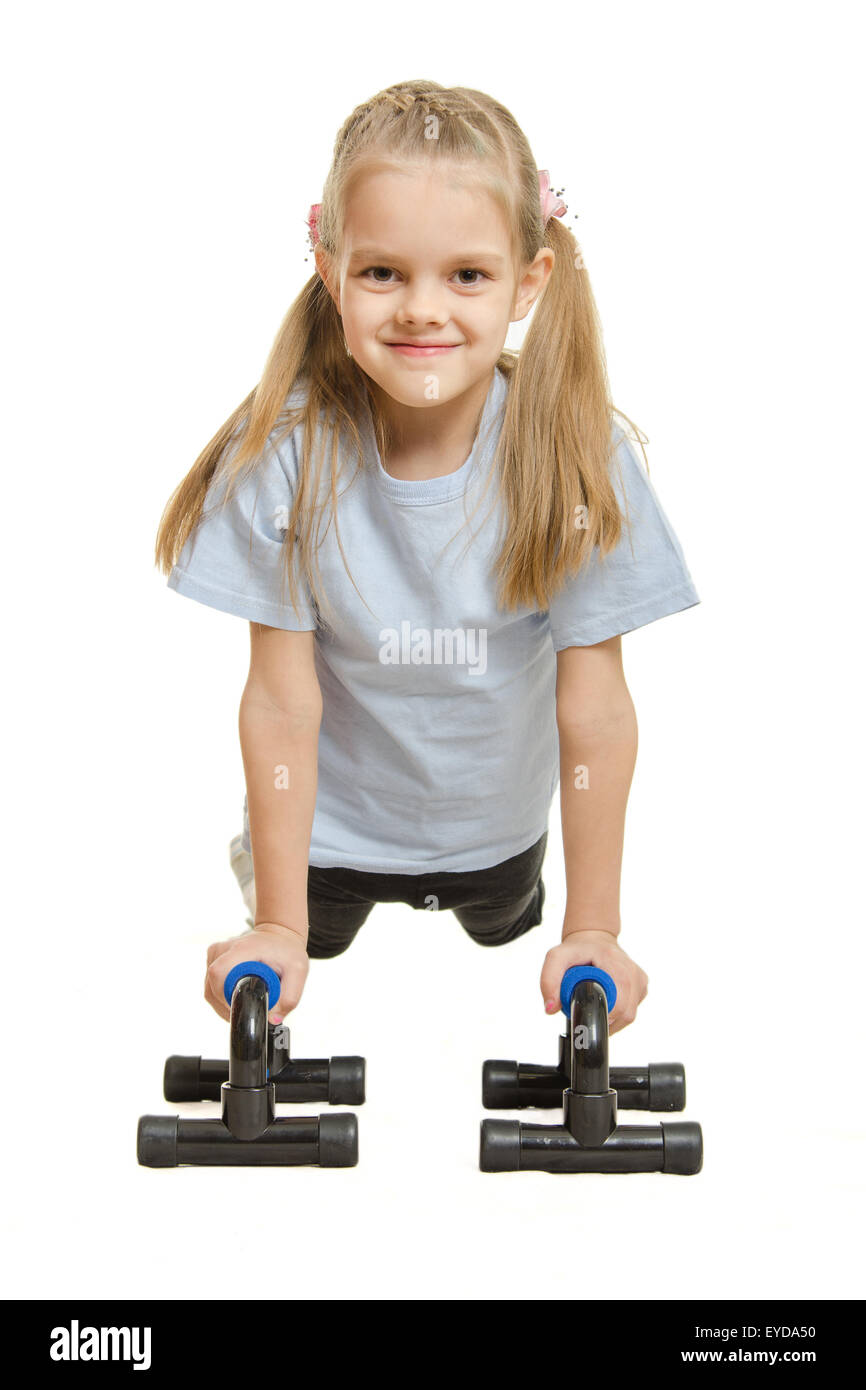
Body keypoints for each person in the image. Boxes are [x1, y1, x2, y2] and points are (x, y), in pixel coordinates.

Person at [154, 80, 700, 1037]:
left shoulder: (573, 454)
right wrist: (278, 922)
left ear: (527, 283)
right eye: (382, 275)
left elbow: (597, 709)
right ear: (330, 268)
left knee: (506, 918)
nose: (421, 311)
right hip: (324, 845)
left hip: (496, 848)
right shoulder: (285, 455)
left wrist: (595, 927)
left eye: (468, 277)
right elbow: (282, 703)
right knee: (298, 935)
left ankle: (510, 906)